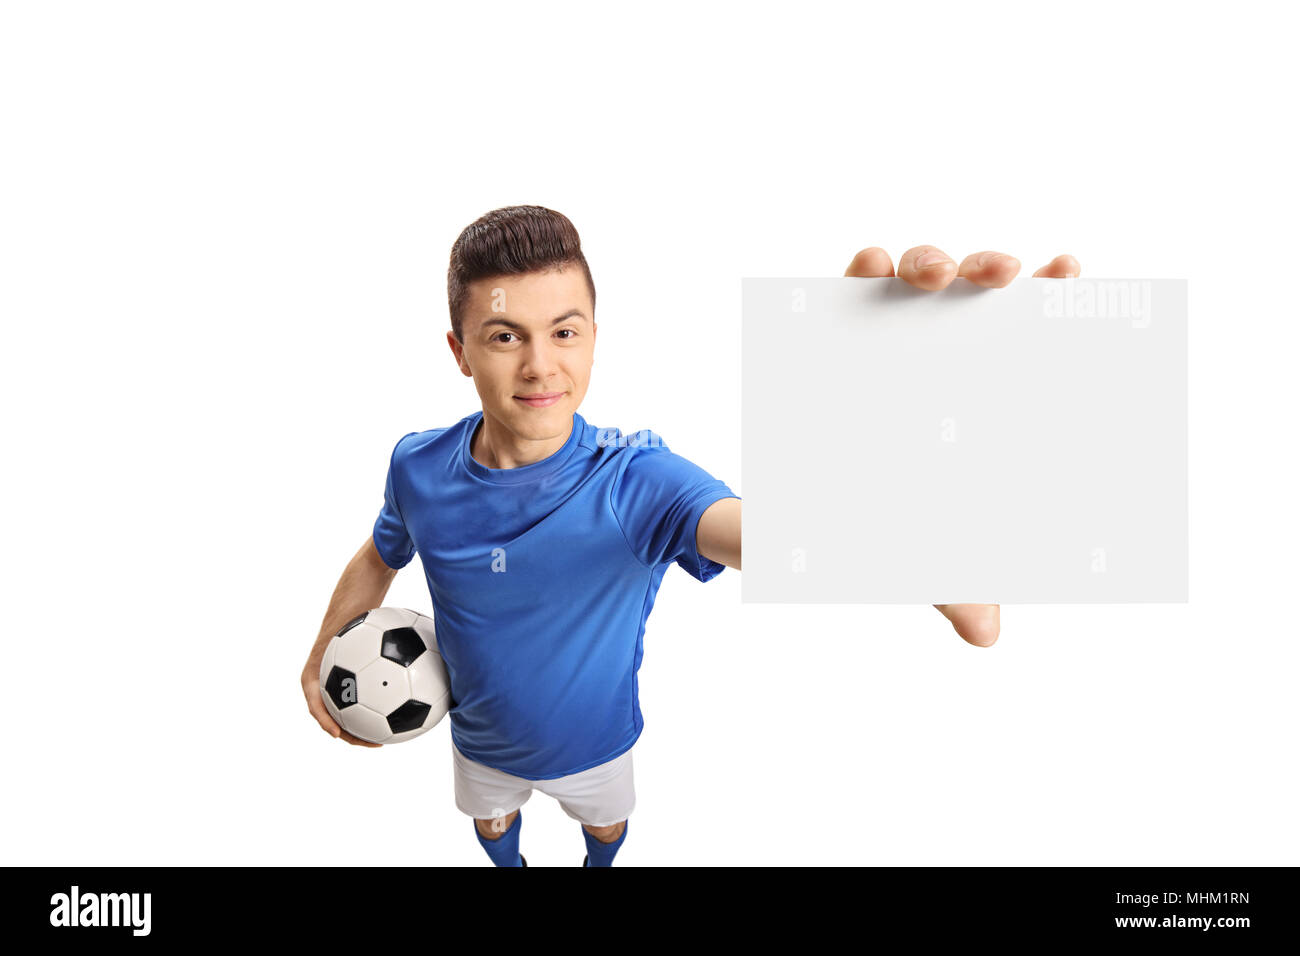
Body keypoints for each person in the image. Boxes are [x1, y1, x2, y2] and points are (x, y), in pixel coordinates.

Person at [300, 205, 1080, 866]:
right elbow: (381, 553)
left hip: (597, 747)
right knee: (490, 820)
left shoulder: (638, 480)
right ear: (459, 351)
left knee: (605, 825)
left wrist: (909, 528)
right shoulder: (417, 465)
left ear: (595, 338)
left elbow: (762, 533)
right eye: (505, 336)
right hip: (474, 738)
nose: (541, 365)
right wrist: (320, 650)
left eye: (564, 332)